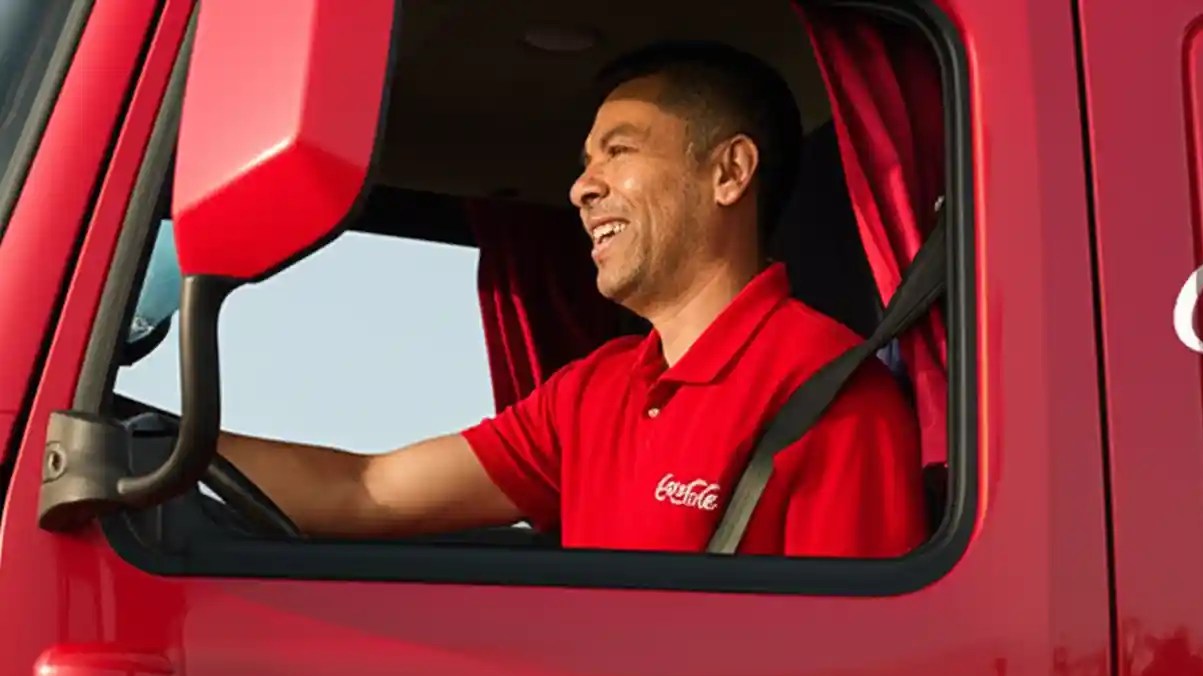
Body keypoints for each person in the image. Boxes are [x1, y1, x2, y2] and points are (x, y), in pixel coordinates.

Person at [217, 41, 929, 557]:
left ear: (729, 172)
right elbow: (363, 490)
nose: (581, 189)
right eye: (585, 163)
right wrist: (146, 447)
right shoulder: (593, 391)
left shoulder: (829, 394)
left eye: (618, 152)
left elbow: (862, 667)